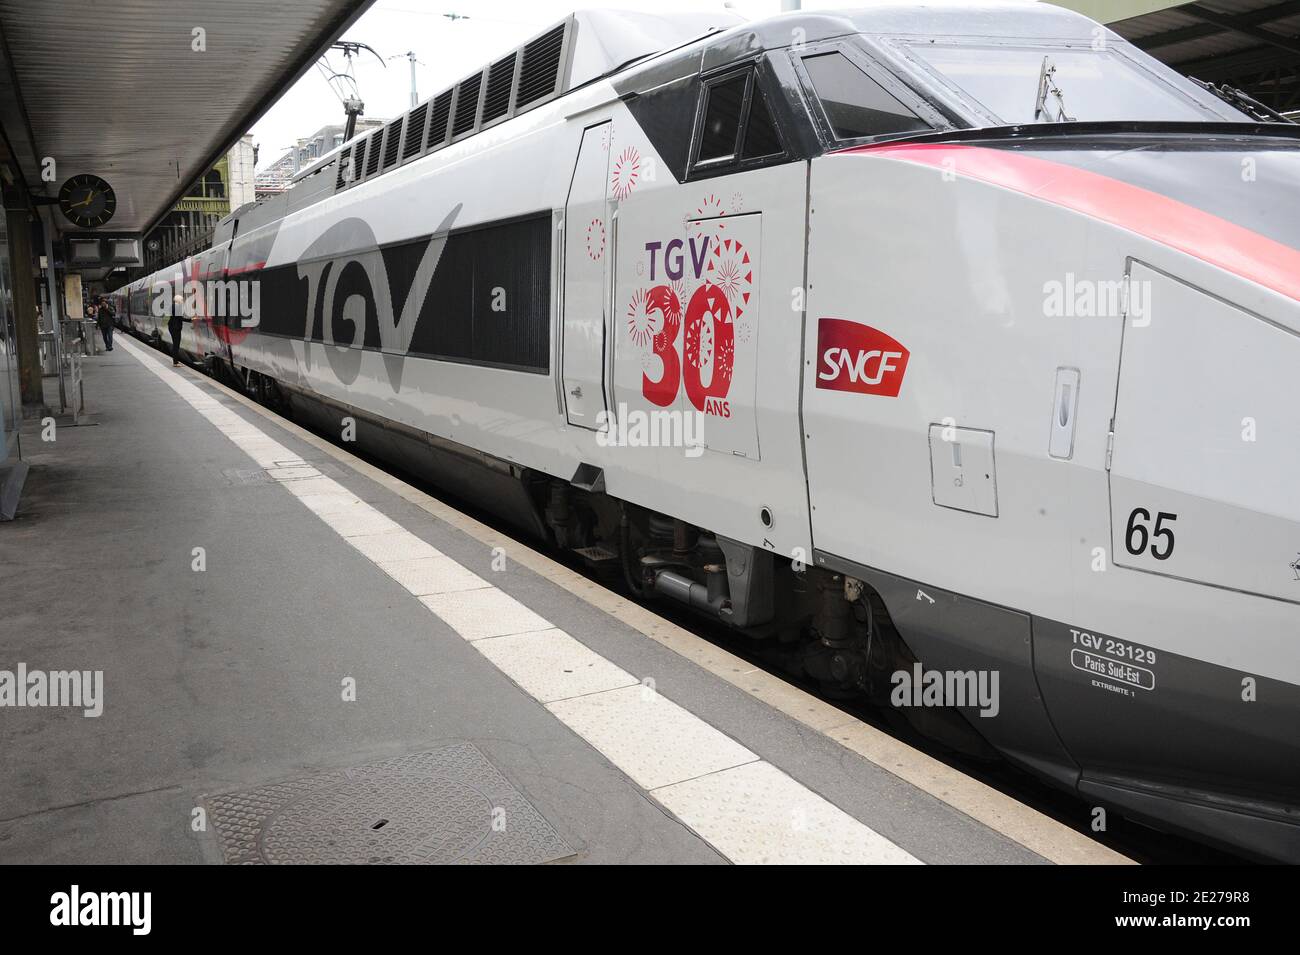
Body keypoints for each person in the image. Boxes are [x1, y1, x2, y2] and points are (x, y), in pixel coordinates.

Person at [169, 292, 185, 365]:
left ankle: (175, 361)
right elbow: (180, 318)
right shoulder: (177, 307)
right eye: (182, 300)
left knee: (175, 344)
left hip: (172, 327)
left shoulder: (172, 306)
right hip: (176, 328)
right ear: (178, 300)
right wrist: (191, 319)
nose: (182, 301)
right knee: (176, 345)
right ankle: (175, 362)